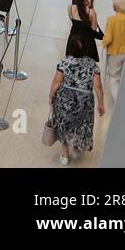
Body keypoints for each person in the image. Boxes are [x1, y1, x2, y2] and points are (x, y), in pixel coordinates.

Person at [47, 31, 104, 166]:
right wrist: (101, 103)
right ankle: (77, 146)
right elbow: (98, 86)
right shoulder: (92, 65)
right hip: (84, 102)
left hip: (65, 100)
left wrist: (51, 95)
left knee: (65, 124)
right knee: (81, 124)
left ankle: (65, 155)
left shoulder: (65, 62)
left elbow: (57, 81)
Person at [102, 0, 125, 104]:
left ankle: (119, 101)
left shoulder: (111, 20)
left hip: (115, 52)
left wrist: (103, 44)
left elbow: (108, 38)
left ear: (115, 7)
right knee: (123, 77)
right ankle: (124, 96)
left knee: (114, 77)